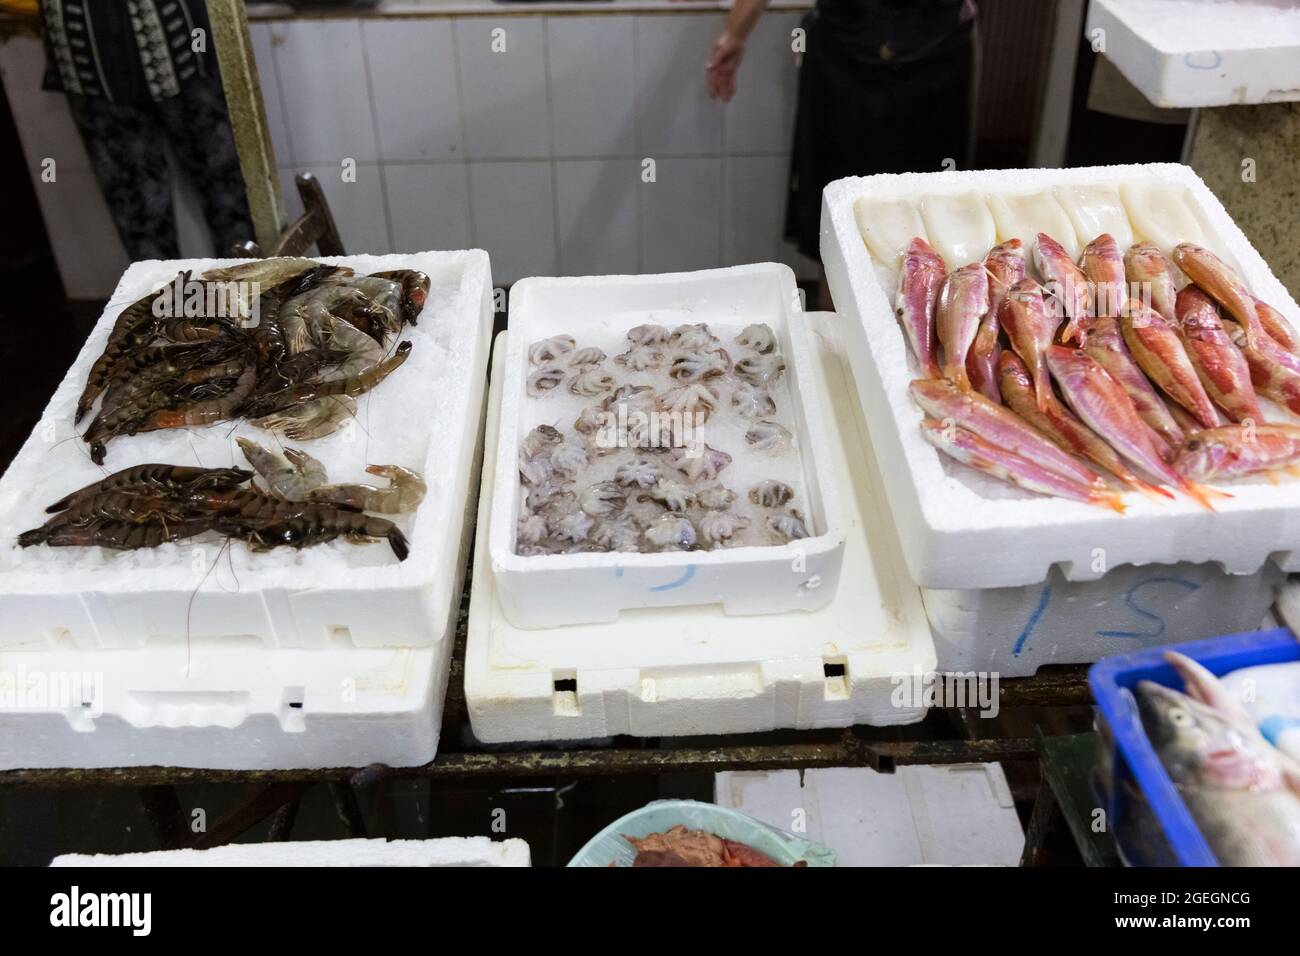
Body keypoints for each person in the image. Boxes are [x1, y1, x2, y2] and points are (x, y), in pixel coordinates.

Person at [707, 0, 978, 299]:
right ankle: (845, 335)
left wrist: (735, 33)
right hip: (859, 51)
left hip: (924, 50)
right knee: (844, 220)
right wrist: (735, 34)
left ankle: (900, 332)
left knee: (924, 213)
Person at [38, 0, 253, 260]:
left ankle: (254, 295)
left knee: (233, 204)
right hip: (90, 53)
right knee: (140, 221)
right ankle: (169, 299)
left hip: (183, 40)